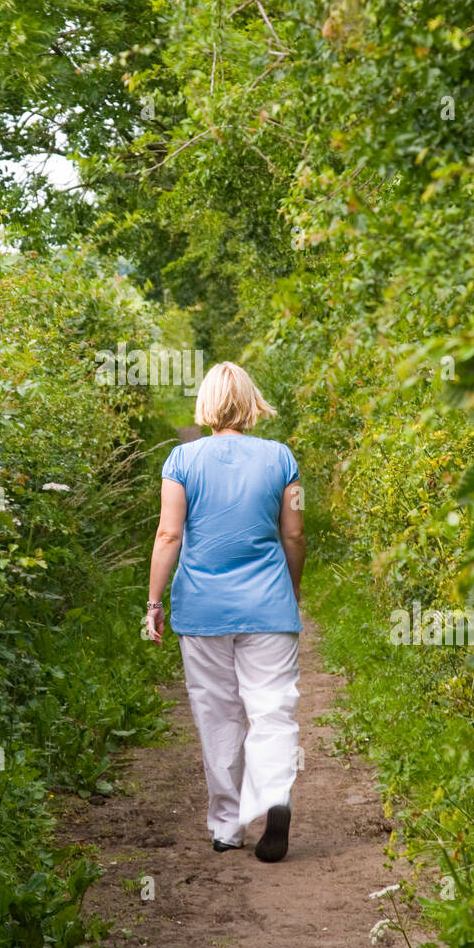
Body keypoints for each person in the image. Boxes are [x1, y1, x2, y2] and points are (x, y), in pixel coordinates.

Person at [145, 361, 306, 863]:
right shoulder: (282, 458)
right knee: (272, 707)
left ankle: (227, 827)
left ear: (207, 404)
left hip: (203, 609)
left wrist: (154, 601)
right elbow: (295, 534)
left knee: (218, 714)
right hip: (269, 607)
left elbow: (169, 534)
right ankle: (275, 795)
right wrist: (291, 591)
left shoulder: (181, 461)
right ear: (252, 402)